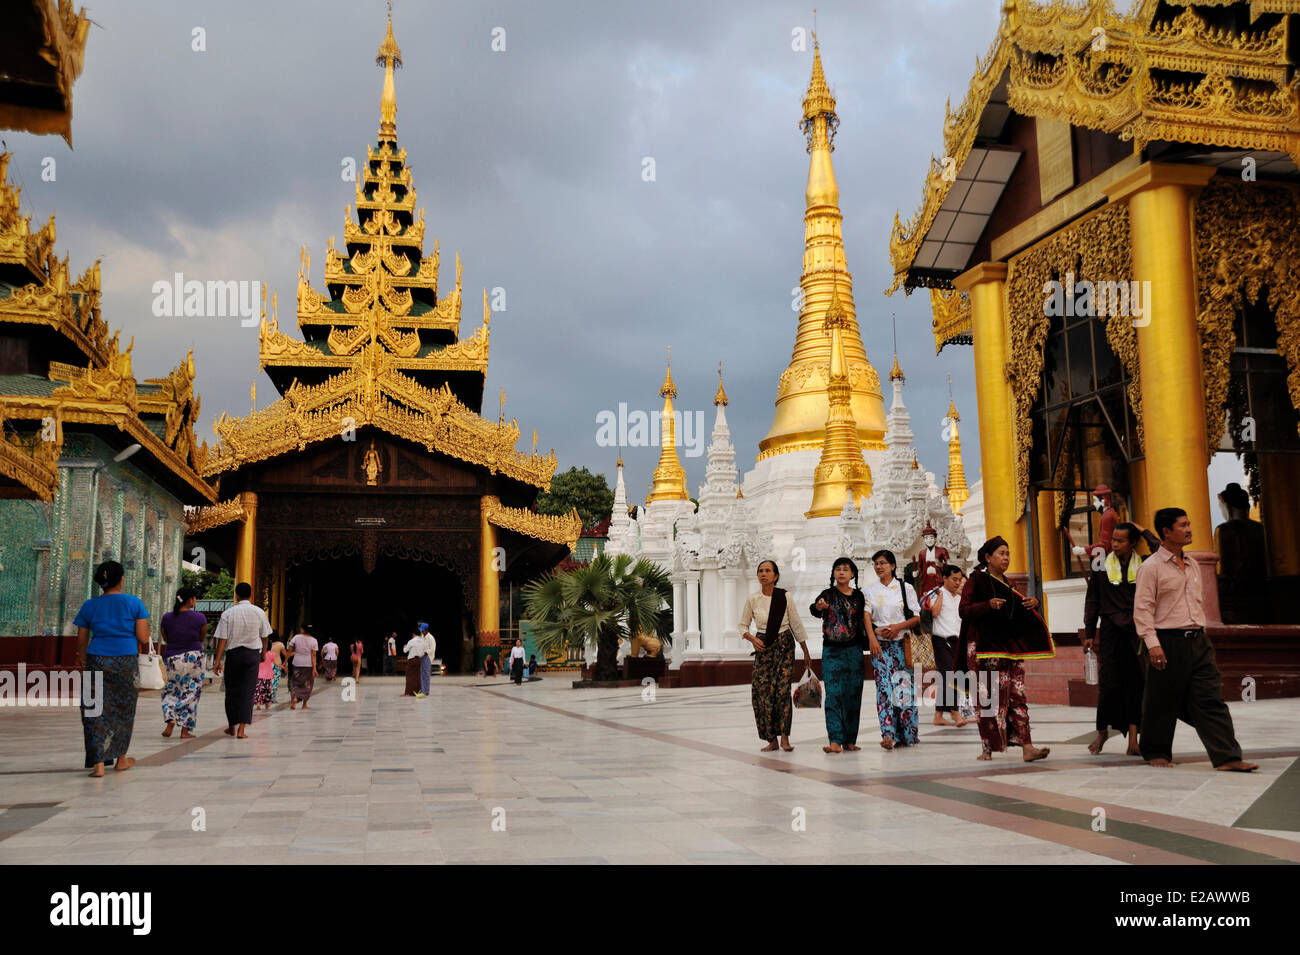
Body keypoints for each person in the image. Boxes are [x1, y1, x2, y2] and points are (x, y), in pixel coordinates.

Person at [1133, 507, 1258, 772]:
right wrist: (1153, 644)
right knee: (1161, 699)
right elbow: (1143, 610)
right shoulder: (1150, 568)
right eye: (1183, 525)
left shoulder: (1192, 565)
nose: (1189, 529)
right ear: (1166, 532)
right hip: (1167, 641)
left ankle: (1227, 757)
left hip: (1199, 641)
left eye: (1189, 523)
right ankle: (1156, 751)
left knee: (1211, 698)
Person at [957, 537, 1053, 762]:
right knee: (988, 700)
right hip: (984, 652)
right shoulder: (976, 581)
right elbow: (964, 611)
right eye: (1001, 553)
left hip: (1010, 652)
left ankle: (1027, 747)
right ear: (988, 558)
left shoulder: (1010, 585)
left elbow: (1015, 616)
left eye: (1008, 553)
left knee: (1018, 696)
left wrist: (1033, 605)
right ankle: (987, 748)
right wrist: (986, 605)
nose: (1006, 558)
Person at [1082, 521, 1160, 755]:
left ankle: (1133, 740)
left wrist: (1145, 531)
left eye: (1120, 540)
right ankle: (1102, 733)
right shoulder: (1101, 565)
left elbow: (1162, 551)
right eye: (1113, 540)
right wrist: (1088, 632)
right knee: (1108, 685)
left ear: (1133, 543)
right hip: (1109, 631)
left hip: (1136, 631)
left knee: (1136, 683)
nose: (1114, 544)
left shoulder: (1145, 564)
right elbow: (1092, 600)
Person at [74, 561, 150, 777]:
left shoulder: (90, 605)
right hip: (126, 660)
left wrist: (81, 658)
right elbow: (143, 637)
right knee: (123, 709)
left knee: (93, 708)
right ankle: (121, 759)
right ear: (122, 579)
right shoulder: (134, 603)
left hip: (96, 658)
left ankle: (98, 764)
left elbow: (81, 640)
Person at [739, 560, 812, 753]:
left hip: (784, 646)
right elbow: (742, 625)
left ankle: (785, 738)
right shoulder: (753, 599)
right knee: (762, 693)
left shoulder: (784, 596)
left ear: (776, 576)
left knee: (782, 692)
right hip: (763, 647)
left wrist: (805, 650)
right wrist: (752, 639)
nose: (763, 574)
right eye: (760, 571)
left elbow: (795, 623)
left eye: (768, 571)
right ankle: (771, 739)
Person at [810, 557, 872, 754]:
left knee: (853, 693)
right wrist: (819, 607)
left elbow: (865, 618)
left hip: (854, 650)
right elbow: (814, 609)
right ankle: (835, 740)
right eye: (838, 569)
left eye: (846, 569)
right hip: (832, 650)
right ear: (833, 573)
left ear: (853, 574)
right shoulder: (827, 594)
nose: (842, 572)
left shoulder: (859, 596)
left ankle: (850, 740)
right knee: (834, 694)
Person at [864, 550, 922, 750]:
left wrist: (897, 627)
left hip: (901, 645)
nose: (878, 567)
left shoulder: (905, 588)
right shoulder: (870, 590)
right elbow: (866, 615)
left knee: (903, 690)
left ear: (893, 565)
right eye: (875, 563)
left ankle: (907, 734)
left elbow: (917, 617)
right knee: (884, 690)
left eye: (882, 563)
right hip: (880, 647)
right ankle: (888, 734)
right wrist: (873, 634)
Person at [212, 582, 272, 739]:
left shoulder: (228, 613)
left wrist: (217, 660)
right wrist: (263, 652)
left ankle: (232, 726)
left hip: (234, 655)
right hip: (252, 655)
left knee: (231, 691)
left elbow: (222, 639)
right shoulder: (259, 612)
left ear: (236, 595)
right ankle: (242, 730)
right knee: (248, 692)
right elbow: (265, 636)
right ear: (251, 595)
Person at [923, 565, 971, 727]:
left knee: (949, 677)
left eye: (959, 580)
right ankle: (955, 713)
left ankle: (938, 715)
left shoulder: (959, 599)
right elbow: (934, 613)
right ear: (945, 578)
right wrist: (941, 594)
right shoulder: (936, 594)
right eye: (954, 579)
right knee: (949, 676)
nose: (958, 583)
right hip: (941, 640)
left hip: (957, 641)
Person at [1214, 483, 1267, 625]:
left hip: (1235, 597)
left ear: (1228, 507)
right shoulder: (1260, 529)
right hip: (1261, 593)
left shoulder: (1224, 530)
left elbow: (1223, 567)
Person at [159, 586, 207, 739]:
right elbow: (201, 637)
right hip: (194, 657)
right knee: (191, 692)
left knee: (171, 689)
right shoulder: (200, 617)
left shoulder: (167, 617)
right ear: (190, 600)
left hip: (173, 658)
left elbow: (165, 637)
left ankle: (171, 718)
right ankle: (185, 731)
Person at [287, 625, 319, 710]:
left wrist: (285, 661)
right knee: (308, 684)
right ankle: (304, 705)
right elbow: (314, 655)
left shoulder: (296, 637)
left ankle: (295, 698)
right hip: (308, 664)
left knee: (295, 682)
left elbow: (289, 650)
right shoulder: (314, 640)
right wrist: (315, 668)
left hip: (296, 662)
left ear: (303, 629)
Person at [402, 628, 425, 696]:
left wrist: (404, 647)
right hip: (419, 660)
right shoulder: (423, 641)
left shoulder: (411, 641)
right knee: (417, 676)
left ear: (413, 634)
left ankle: (408, 693)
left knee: (409, 676)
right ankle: (417, 692)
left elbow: (405, 651)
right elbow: (423, 652)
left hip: (412, 660)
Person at [268, 631, 286, 703]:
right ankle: (273, 698)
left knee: (269, 681)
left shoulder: (268, 644)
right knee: (275, 681)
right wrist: (285, 663)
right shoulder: (280, 644)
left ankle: (269, 697)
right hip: (277, 665)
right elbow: (285, 655)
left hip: (268, 665)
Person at [418, 623, 434, 696]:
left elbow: (432, 649)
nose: (422, 632)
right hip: (422, 656)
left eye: (423, 630)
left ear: (426, 630)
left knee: (426, 674)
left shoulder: (430, 638)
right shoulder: (422, 636)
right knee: (422, 674)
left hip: (427, 657)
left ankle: (426, 691)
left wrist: (425, 652)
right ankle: (423, 690)